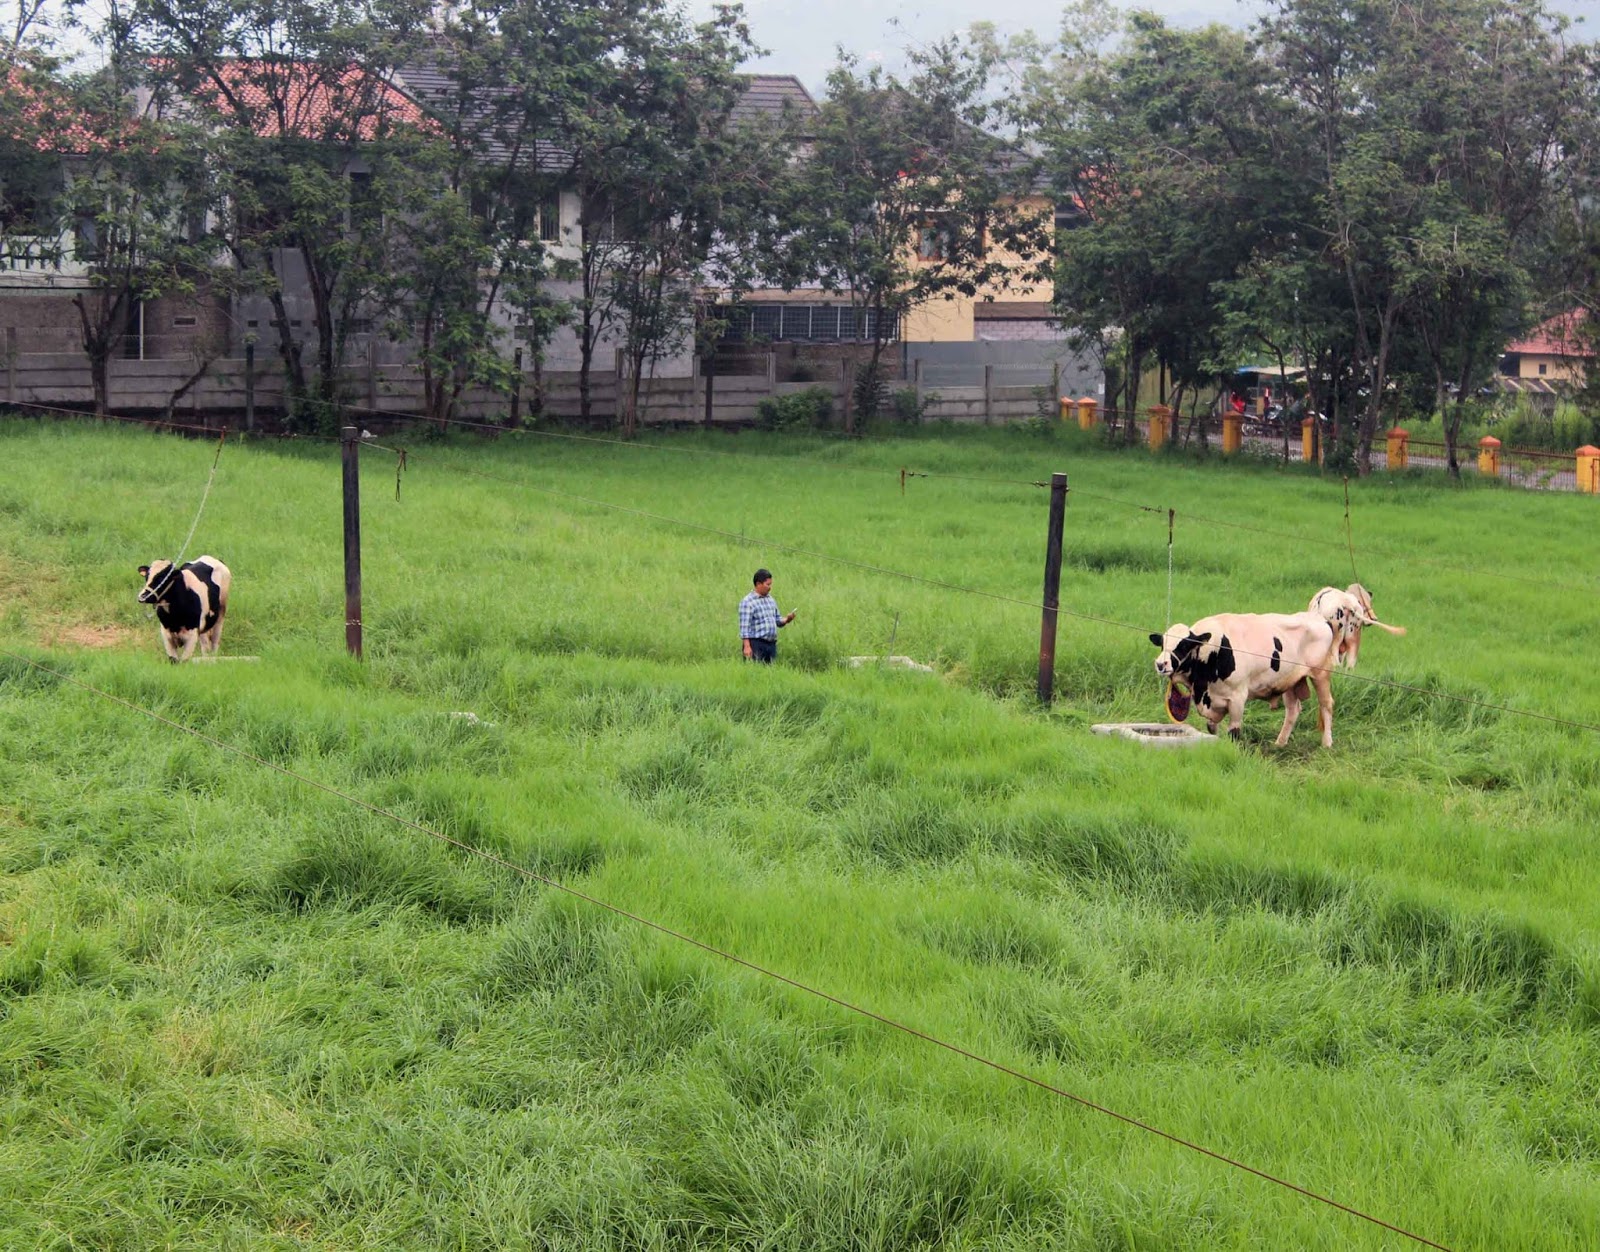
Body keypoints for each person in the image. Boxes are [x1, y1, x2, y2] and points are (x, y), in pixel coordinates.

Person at [739, 567, 796, 663]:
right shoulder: (747, 602)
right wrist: (747, 647)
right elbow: (744, 628)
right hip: (756, 644)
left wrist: (787, 619)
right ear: (758, 584)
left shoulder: (770, 600)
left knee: (770, 671)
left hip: (771, 645)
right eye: (767, 584)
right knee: (755, 670)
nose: (770, 587)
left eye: (770, 584)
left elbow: (777, 620)